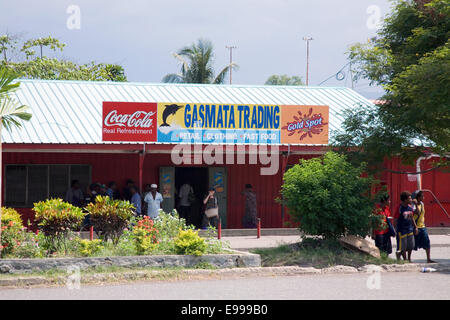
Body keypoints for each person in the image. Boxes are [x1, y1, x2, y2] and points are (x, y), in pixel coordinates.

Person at [393, 191, 419, 262]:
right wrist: (394, 229)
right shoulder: (400, 208)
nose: (411, 200)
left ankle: (409, 258)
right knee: (403, 246)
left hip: (409, 228)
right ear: (405, 200)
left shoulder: (410, 207)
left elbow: (413, 216)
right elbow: (395, 219)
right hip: (401, 229)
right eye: (409, 198)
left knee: (411, 245)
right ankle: (404, 259)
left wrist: (415, 227)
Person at [412, 190, 436, 263]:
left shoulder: (422, 204)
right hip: (416, 227)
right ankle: (407, 258)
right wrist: (416, 204)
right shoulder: (413, 206)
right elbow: (416, 214)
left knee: (427, 242)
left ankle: (428, 259)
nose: (423, 197)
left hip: (422, 226)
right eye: (422, 196)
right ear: (418, 197)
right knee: (412, 244)